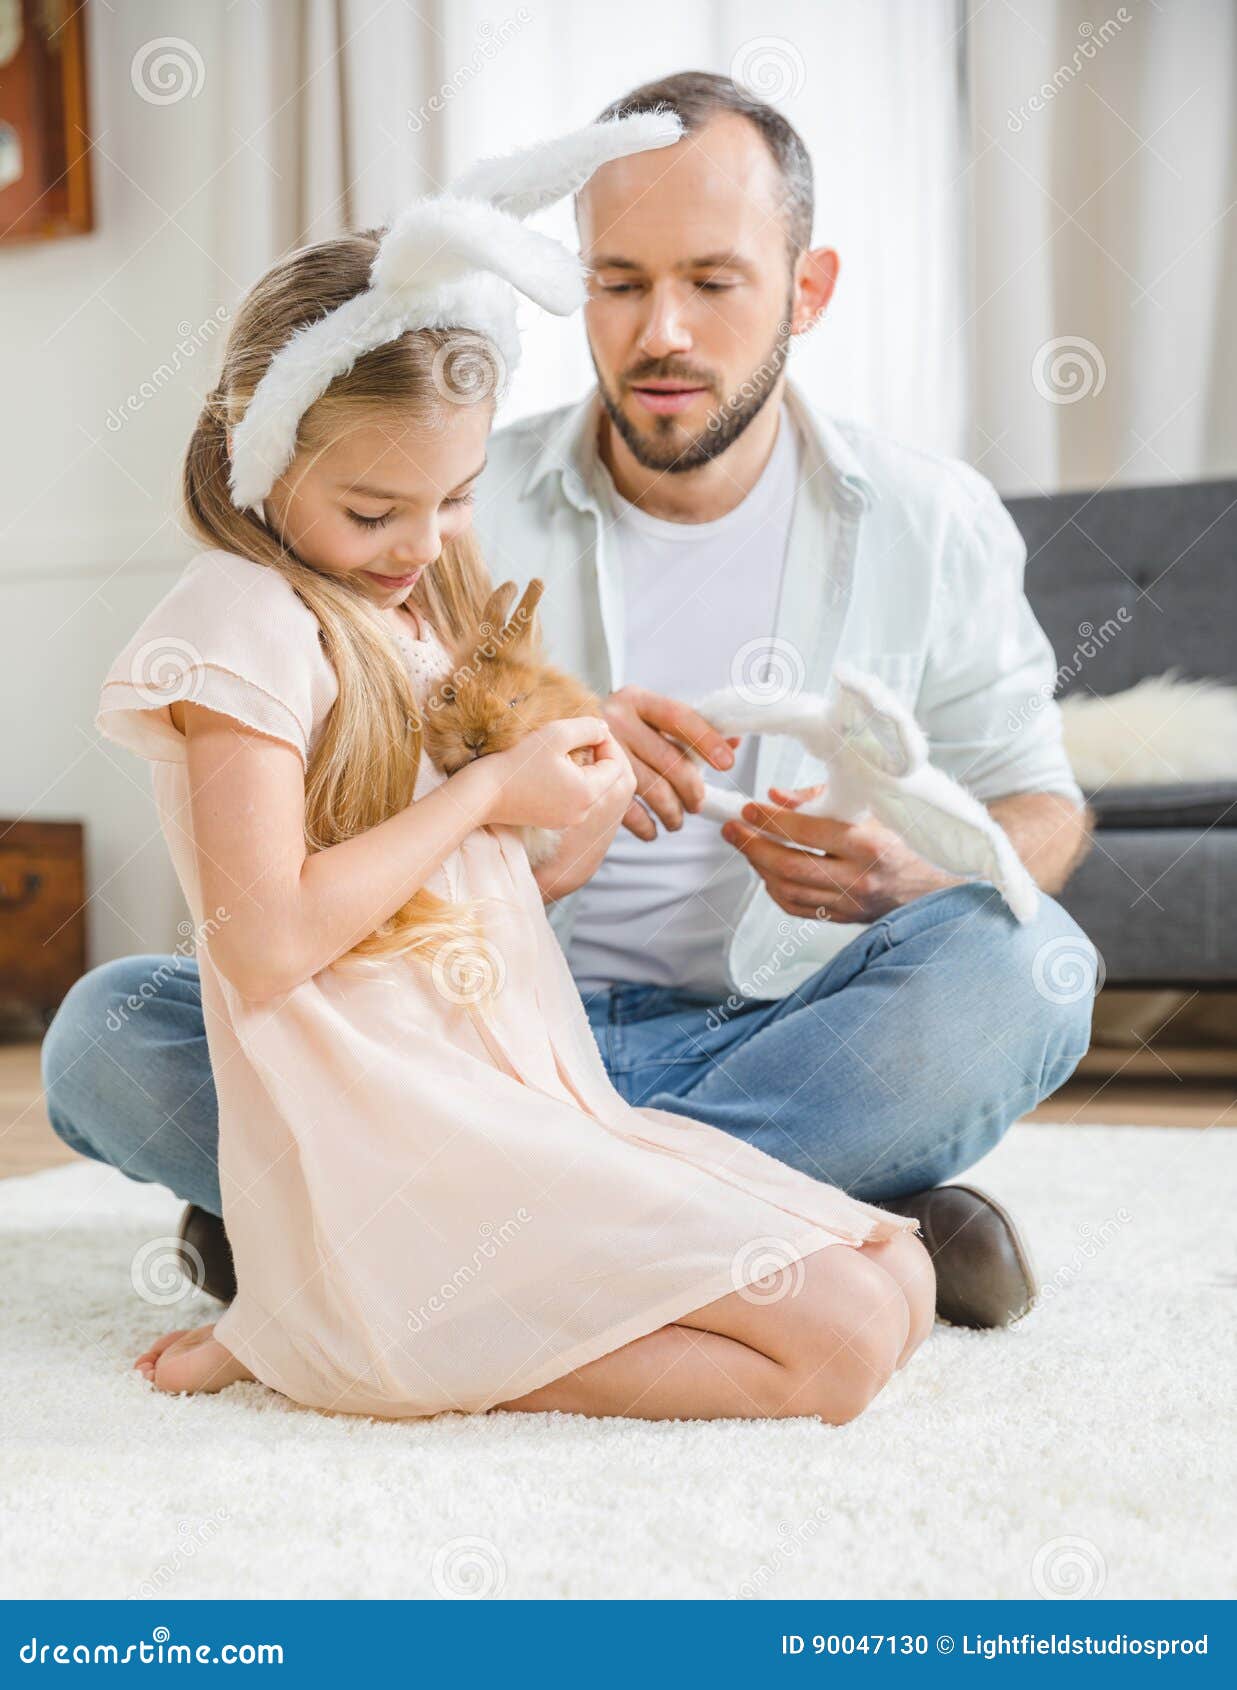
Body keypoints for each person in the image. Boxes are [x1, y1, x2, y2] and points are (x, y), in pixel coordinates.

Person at [45, 73, 1095, 1334]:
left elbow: (1042, 808)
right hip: (451, 1039)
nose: (662, 331)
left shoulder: (932, 518)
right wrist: (541, 811)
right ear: (575, 282)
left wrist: (908, 879)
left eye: (712, 282)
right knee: (112, 1032)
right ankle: (784, 1220)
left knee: (1027, 960)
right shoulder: (445, 482)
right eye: (619, 280)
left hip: (766, 1035)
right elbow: (328, 830)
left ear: (804, 292)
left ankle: (398, 1223)